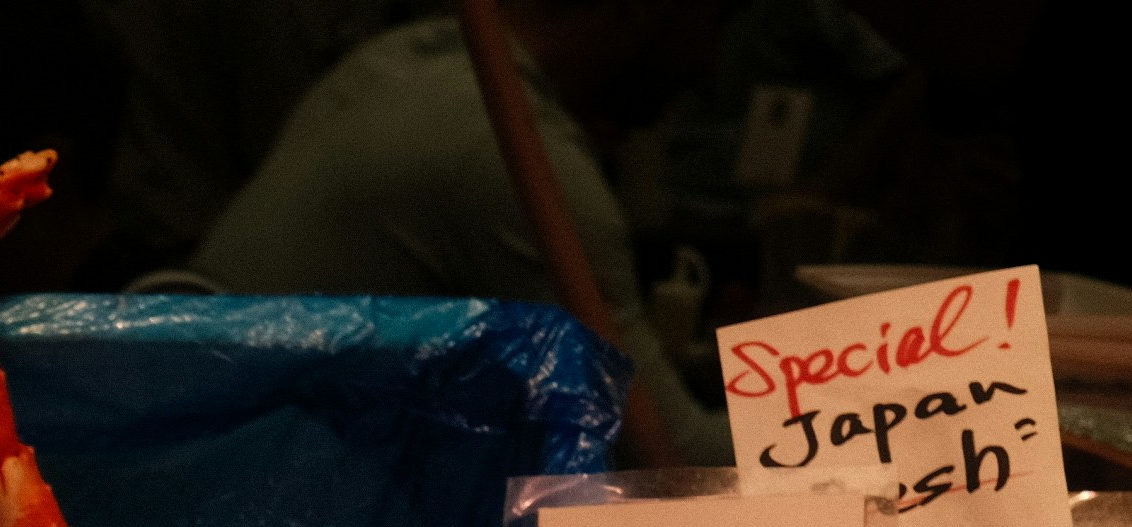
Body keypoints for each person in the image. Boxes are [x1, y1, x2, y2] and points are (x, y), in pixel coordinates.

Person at [183, 1, 734, 459]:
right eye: (716, 16)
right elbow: (672, 463)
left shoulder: (403, 59)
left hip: (215, 458)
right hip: (263, 508)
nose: (710, 62)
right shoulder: (509, 154)